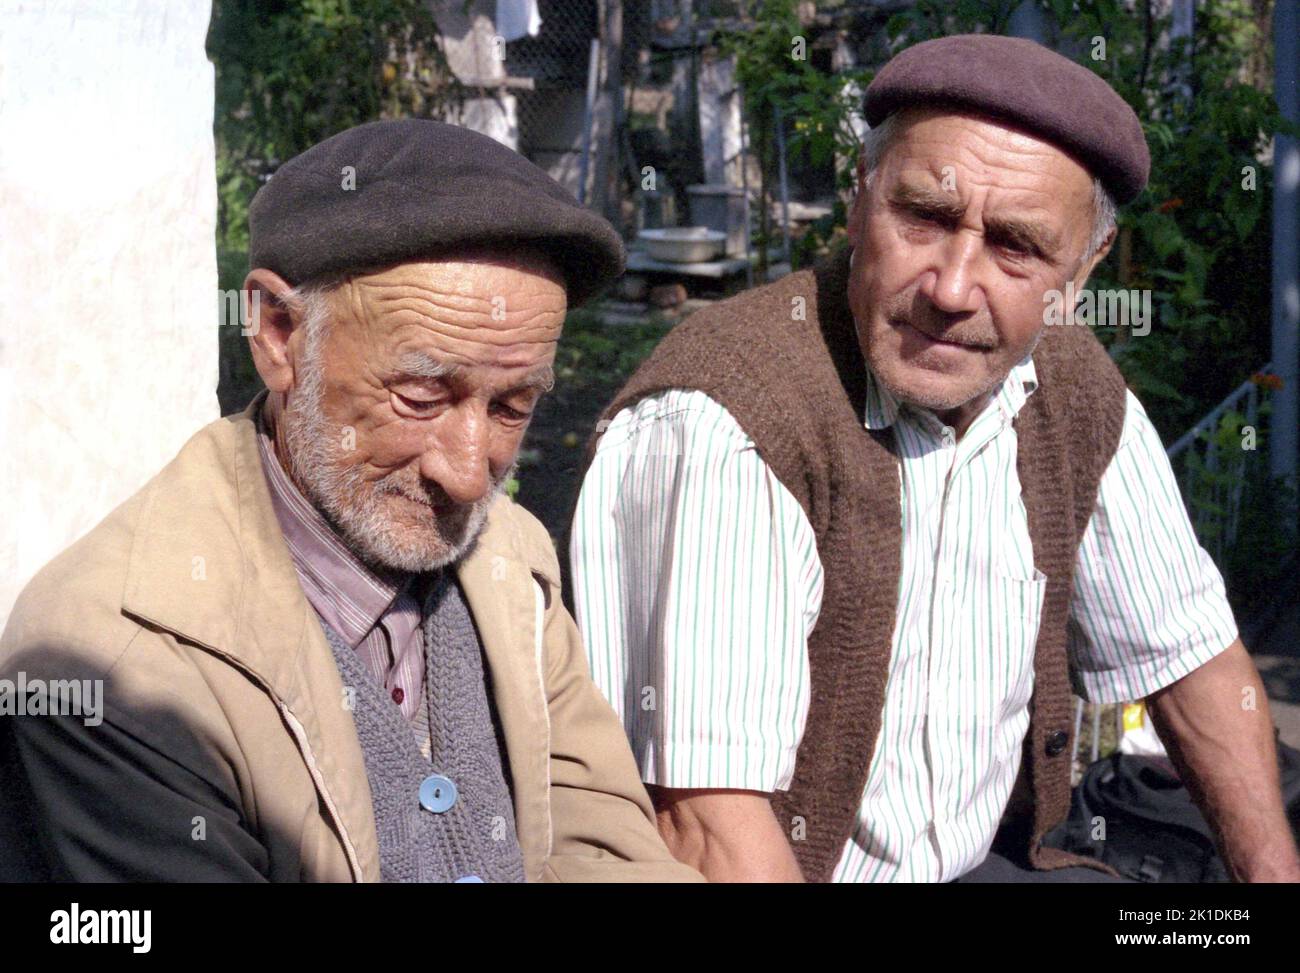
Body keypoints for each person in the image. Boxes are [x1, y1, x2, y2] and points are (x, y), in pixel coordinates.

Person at [569, 34, 1300, 883]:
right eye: (925, 216)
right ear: (858, 197)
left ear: (1084, 269)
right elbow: (705, 829)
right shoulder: (724, 422)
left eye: (1016, 246)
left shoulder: (1068, 384)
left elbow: (1188, 656)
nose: (953, 288)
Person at [0, 119, 702, 883]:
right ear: (276, 334)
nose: (469, 476)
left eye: (512, 407)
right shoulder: (117, 659)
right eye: (422, 394)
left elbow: (613, 857)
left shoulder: (510, 564)